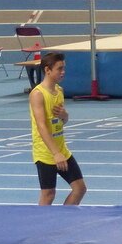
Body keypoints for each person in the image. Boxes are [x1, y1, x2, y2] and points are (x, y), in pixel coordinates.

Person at [30, 52, 86, 206]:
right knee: (48, 194)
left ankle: (63, 219)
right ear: (48, 70)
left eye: (64, 68)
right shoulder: (38, 94)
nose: (63, 72)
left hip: (62, 149)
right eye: (59, 69)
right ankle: (42, 227)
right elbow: (41, 126)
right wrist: (55, 153)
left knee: (79, 188)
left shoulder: (59, 91)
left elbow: (63, 121)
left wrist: (64, 115)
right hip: (46, 152)